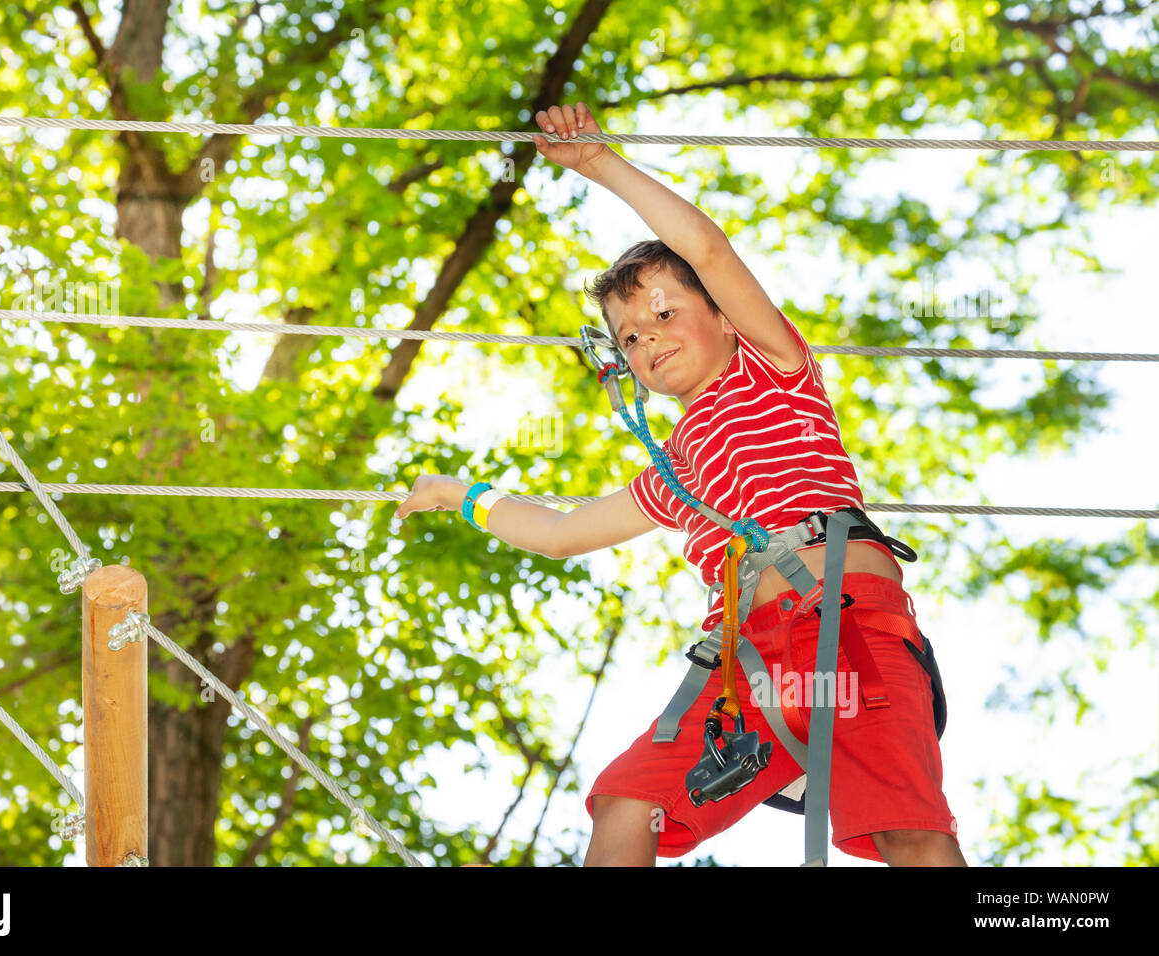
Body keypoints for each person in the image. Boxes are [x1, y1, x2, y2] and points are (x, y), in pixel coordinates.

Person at [395, 103, 964, 867]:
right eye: (629, 335)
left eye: (665, 310)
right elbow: (562, 533)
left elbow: (708, 248)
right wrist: (460, 494)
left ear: (724, 319)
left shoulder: (773, 369)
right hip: (745, 667)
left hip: (844, 625)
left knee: (907, 833)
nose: (648, 335)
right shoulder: (677, 467)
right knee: (627, 805)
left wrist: (601, 165)